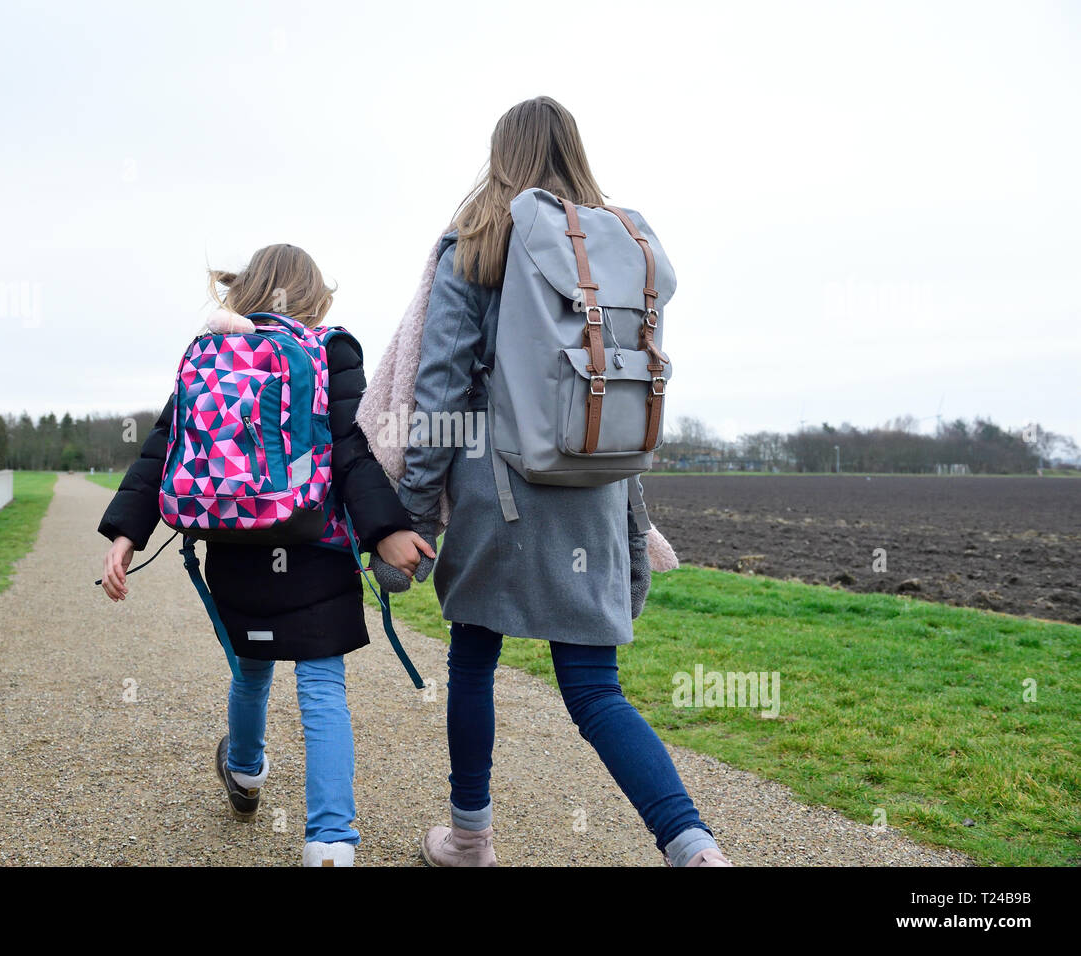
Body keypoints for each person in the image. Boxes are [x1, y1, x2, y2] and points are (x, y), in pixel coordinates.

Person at [397, 97, 732, 867]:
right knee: (594, 687)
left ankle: (470, 838)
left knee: (473, 658)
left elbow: (442, 385)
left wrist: (416, 507)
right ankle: (693, 846)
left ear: (500, 153)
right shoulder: (616, 241)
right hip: (595, 484)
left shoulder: (480, 239)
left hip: (498, 487)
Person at [97, 244, 434, 867]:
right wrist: (383, 529)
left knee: (250, 672)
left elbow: (162, 447)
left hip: (234, 548)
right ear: (315, 296)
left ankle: (247, 772)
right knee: (323, 689)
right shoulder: (330, 349)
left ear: (246, 292)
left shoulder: (213, 355)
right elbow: (349, 447)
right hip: (316, 548)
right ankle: (330, 841)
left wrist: (126, 534)